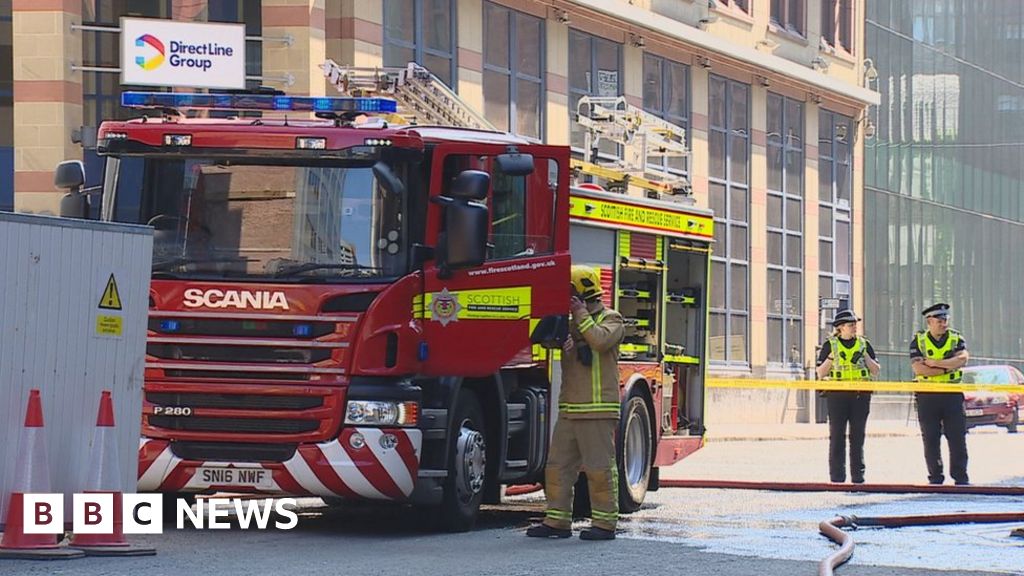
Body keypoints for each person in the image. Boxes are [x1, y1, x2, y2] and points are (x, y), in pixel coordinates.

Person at [527, 265, 624, 541]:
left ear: (583, 292)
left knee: (599, 469)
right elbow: (544, 340)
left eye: (570, 292)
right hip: (570, 409)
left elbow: (599, 340)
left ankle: (605, 523)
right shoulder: (572, 323)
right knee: (557, 467)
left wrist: (579, 315)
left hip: (597, 409)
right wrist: (555, 337)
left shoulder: (612, 319)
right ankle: (557, 520)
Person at [815, 309, 880, 484]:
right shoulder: (830, 345)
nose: (854, 328)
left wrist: (865, 356)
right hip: (837, 396)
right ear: (840, 328)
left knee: (858, 437)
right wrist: (831, 357)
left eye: (855, 324)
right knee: (837, 436)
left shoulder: (864, 344)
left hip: (860, 396)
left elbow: (876, 370)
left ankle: (858, 477)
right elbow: (820, 372)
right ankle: (837, 478)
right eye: (851, 325)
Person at [910, 303, 970, 485]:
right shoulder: (919, 340)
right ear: (929, 321)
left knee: (957, 437)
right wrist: (948, 366)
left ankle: (960, 477)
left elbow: (962, 359)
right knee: (930, 438)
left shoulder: (956, 338)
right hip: (927, 395)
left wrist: (936, 363)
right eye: (940, 321)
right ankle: (935, 477)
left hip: (952, 394)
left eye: (945, 320)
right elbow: (919, 369)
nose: (944, 324)